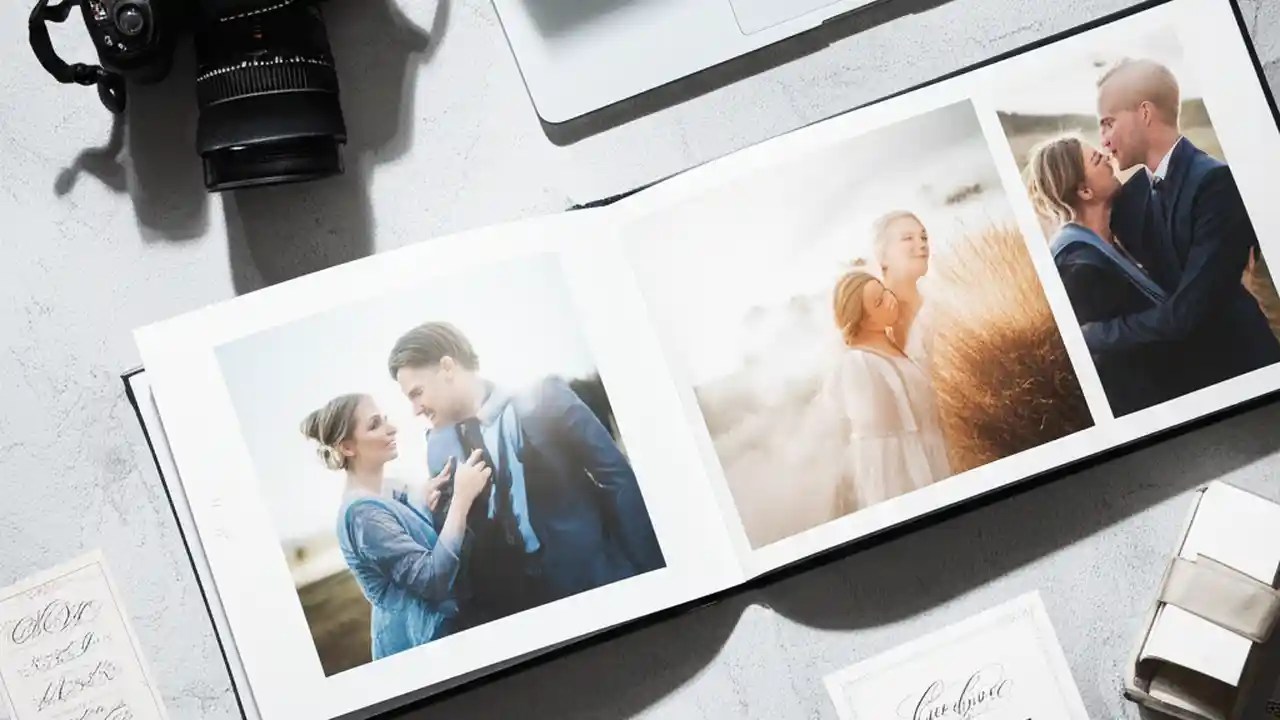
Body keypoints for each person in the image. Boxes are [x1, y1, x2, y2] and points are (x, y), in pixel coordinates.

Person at [387, 322, 665, 627]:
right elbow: (459, 543)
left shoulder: (545, 398)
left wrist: (652, 572)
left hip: (602, 582)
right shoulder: (438, 447)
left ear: (447, 367)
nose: (415, 409)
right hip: (528, 616)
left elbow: (618, 480)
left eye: (417, 393)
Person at [1089, 58, 1280, 393]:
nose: (1103, 140)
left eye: (1108, 123)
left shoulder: (1216, 184)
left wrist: (1090, 335)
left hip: (1247, 372)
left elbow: (1185, 313)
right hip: (1189, 376)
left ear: (1145, 113)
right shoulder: (1130, 196)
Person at [300, 394, 492, 660]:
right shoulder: (362, 515)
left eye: (385, 420)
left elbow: (405, 534)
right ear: (346, 447)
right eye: (375, 424)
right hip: (420, 650)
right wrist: (462, 498)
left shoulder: (386, 490)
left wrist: (423, 506)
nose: (392, 429)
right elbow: (432, 580)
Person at [1024, 134, 1183, 415]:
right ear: (1085, 191)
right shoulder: (1078, 266)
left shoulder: (1109, 239)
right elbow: (1106, 359)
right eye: (1098, 160)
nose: (1109, 160)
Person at [827, 270, 951, 512]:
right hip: (911, 483)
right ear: (862, 320)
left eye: (884, 291)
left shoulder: (893, 342)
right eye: (878, 301)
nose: (889, 298)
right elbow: (881, 451)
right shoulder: (860, 365)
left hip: (936, 462)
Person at [870, 210, 935, 370]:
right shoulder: (862, 313)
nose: (922, 245)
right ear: (882, 255)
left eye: (924, 238)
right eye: (908, 238)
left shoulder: (938, 309)